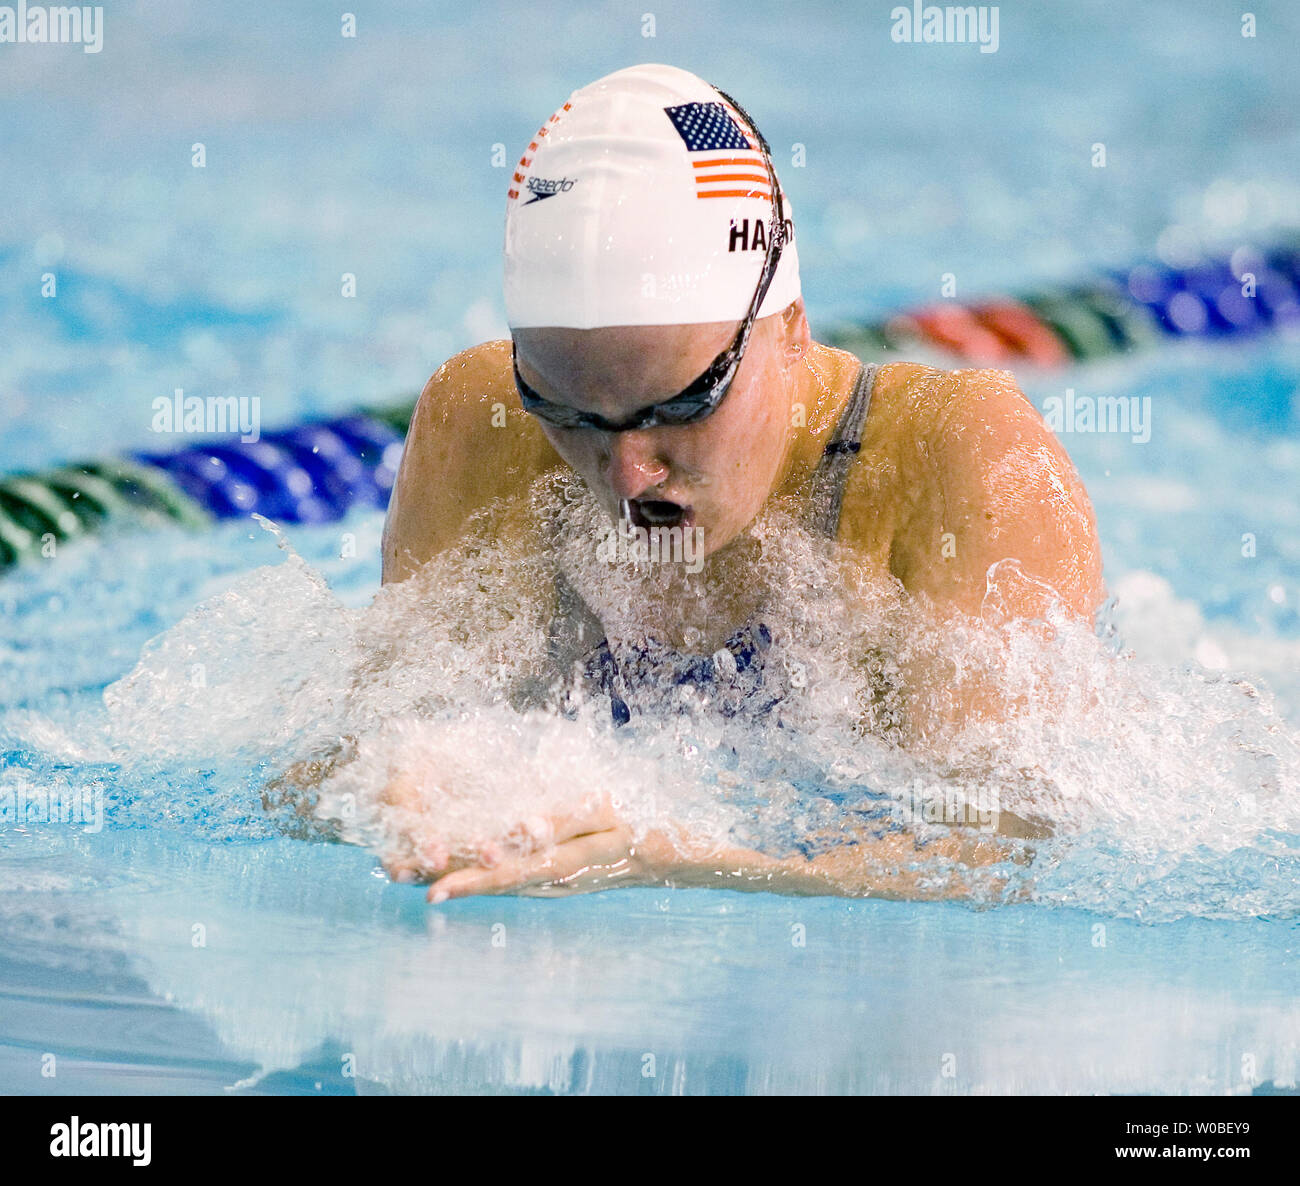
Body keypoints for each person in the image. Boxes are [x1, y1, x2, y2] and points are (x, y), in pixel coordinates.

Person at [373, 63, 1105, 901]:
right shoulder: (484, 422)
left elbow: (1008, 840)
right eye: (568, 413)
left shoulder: (957, 455)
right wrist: (391, 784)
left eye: (683, 405)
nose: (628, 474)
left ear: (789, 328)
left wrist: (682, 860)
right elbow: (332, 748)